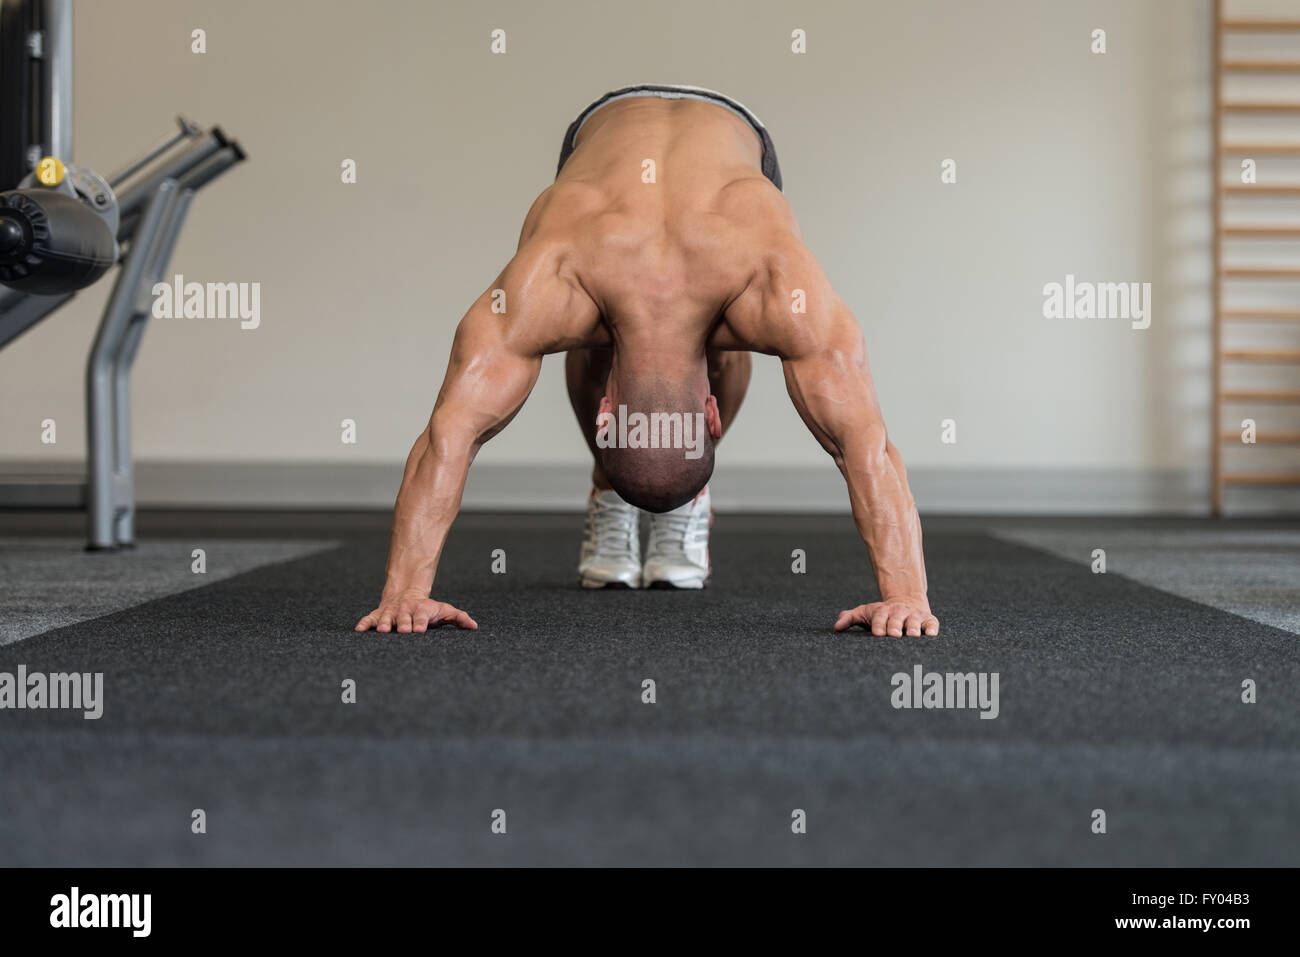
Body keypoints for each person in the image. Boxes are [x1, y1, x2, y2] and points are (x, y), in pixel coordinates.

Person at [356, 85, 939, 638]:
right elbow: (863, 443)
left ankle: (675, 502)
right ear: (711, 415)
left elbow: (450, 432)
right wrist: (904, 594)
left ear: (603, 414)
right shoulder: (773, 288)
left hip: (654, 140)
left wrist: (406, 591)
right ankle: (609, 494)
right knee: (615, 333)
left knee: (668, 335)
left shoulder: (550, 284)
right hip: (680, 144)